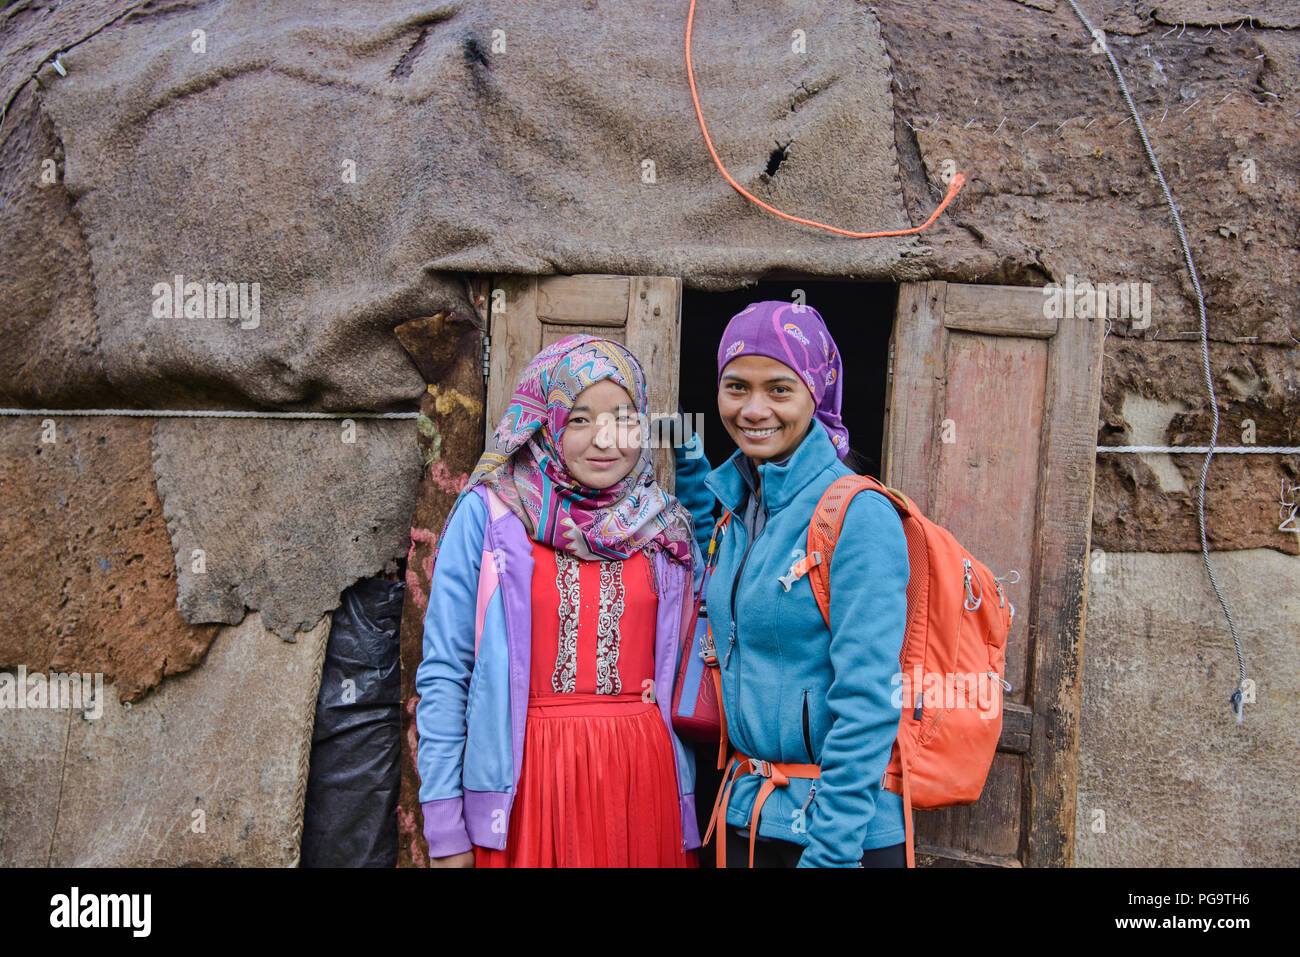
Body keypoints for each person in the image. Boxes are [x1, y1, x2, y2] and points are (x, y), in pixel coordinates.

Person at [415, 334, 703, 867]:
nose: (605, 439)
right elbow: (446, 672)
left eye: (623, 417)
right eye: (577, 419)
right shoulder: (490, 514)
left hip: (644, 789)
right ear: (541, 421)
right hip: (526, 785)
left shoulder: (666, 530)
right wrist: (445, 825)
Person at [699, 300, 910, 867]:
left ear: (816, 396)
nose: (753, 409)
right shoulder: (736, 514)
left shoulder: (857, 515)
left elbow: (868, 702)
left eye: (780, 389)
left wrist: (832, 854)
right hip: (746, 817)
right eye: (736, 387)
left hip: (834, 835)